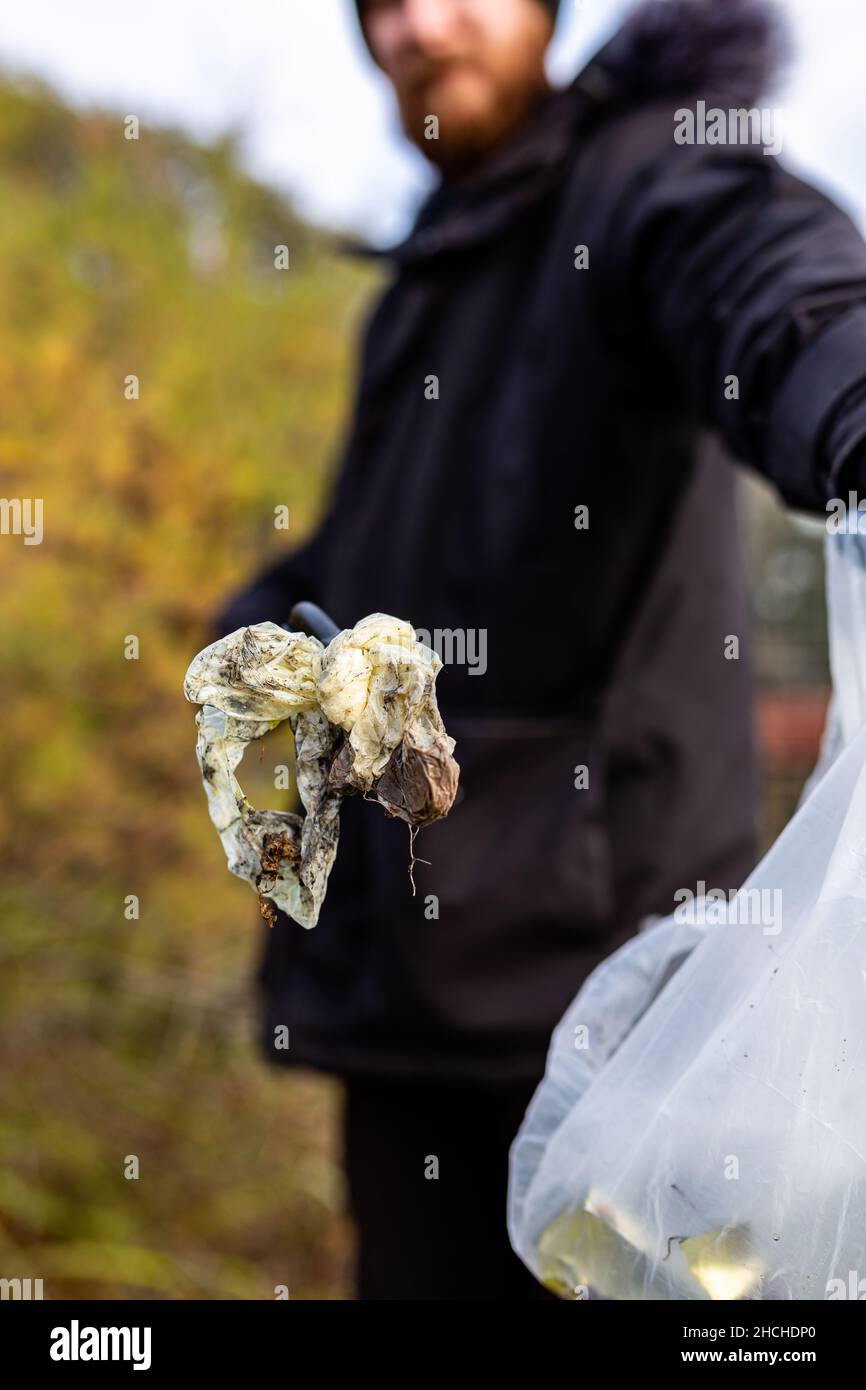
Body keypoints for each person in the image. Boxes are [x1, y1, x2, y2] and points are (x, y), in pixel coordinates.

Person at [215, 0, 866, 1300]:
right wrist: (270, 630)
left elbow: (773, 287)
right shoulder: (432, 276)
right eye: (382, 5)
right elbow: (382, 565)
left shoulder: (639, 178)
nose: (417, 27)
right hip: (405, 997)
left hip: (593, 1031)